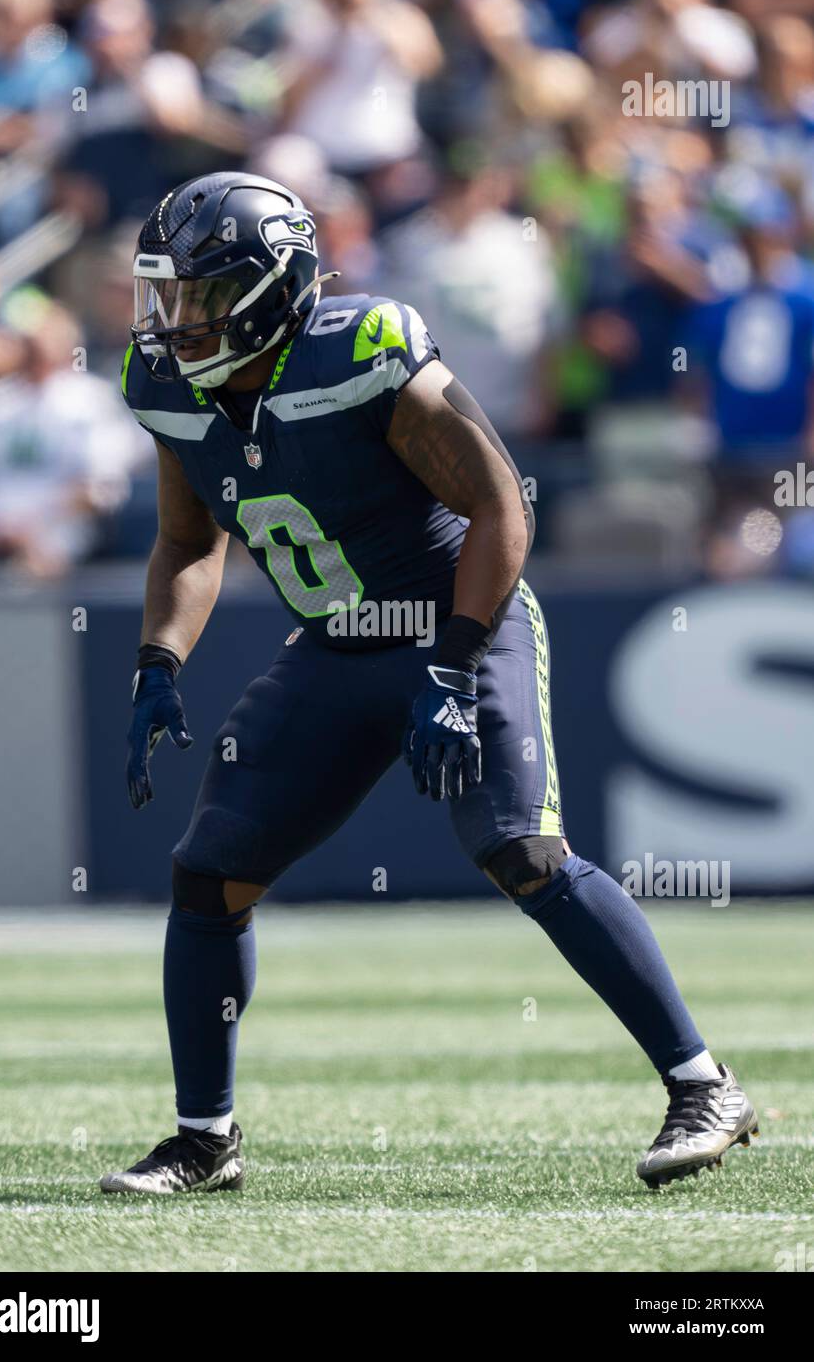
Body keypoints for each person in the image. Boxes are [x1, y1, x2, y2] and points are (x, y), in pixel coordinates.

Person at [101, 171, 757, 1195]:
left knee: (521, 850)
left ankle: (701, 1082)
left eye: (195, 297)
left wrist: (451, 663)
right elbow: (189, 541)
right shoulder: (164, 387)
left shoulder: (360, 353)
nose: (171, 322)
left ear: (271, 290)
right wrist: (157, 661)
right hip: (334, 641)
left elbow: (501, 508)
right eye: (164, 295)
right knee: (208, 875)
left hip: (460, 616)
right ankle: (204, 1138)